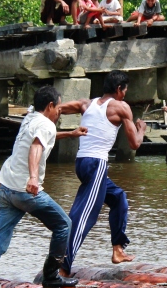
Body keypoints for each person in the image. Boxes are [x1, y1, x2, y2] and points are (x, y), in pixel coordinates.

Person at [0, 86, 90, 288]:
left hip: (6, 188)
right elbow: (36, 147)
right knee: (64, 225)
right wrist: (33, 177)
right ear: (49, 107)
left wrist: (71, 134)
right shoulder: (46, 124)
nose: (59, 113)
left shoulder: (30, 117)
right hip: (24, 191)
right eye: (58, 108)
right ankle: (51, 277)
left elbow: (40, 138)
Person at [61, 70, 148, 275]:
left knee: (118, 198)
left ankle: (118, 249)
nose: (125, 95)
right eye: (125, 90)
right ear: (119, 89)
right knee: (83, 216)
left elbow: (58, 108)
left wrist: (35, 114)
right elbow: (134, 143)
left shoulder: (86, 104)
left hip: (81, 163)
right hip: (97, 163)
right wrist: (141, 128)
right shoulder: (121, 107)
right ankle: (62, 267)